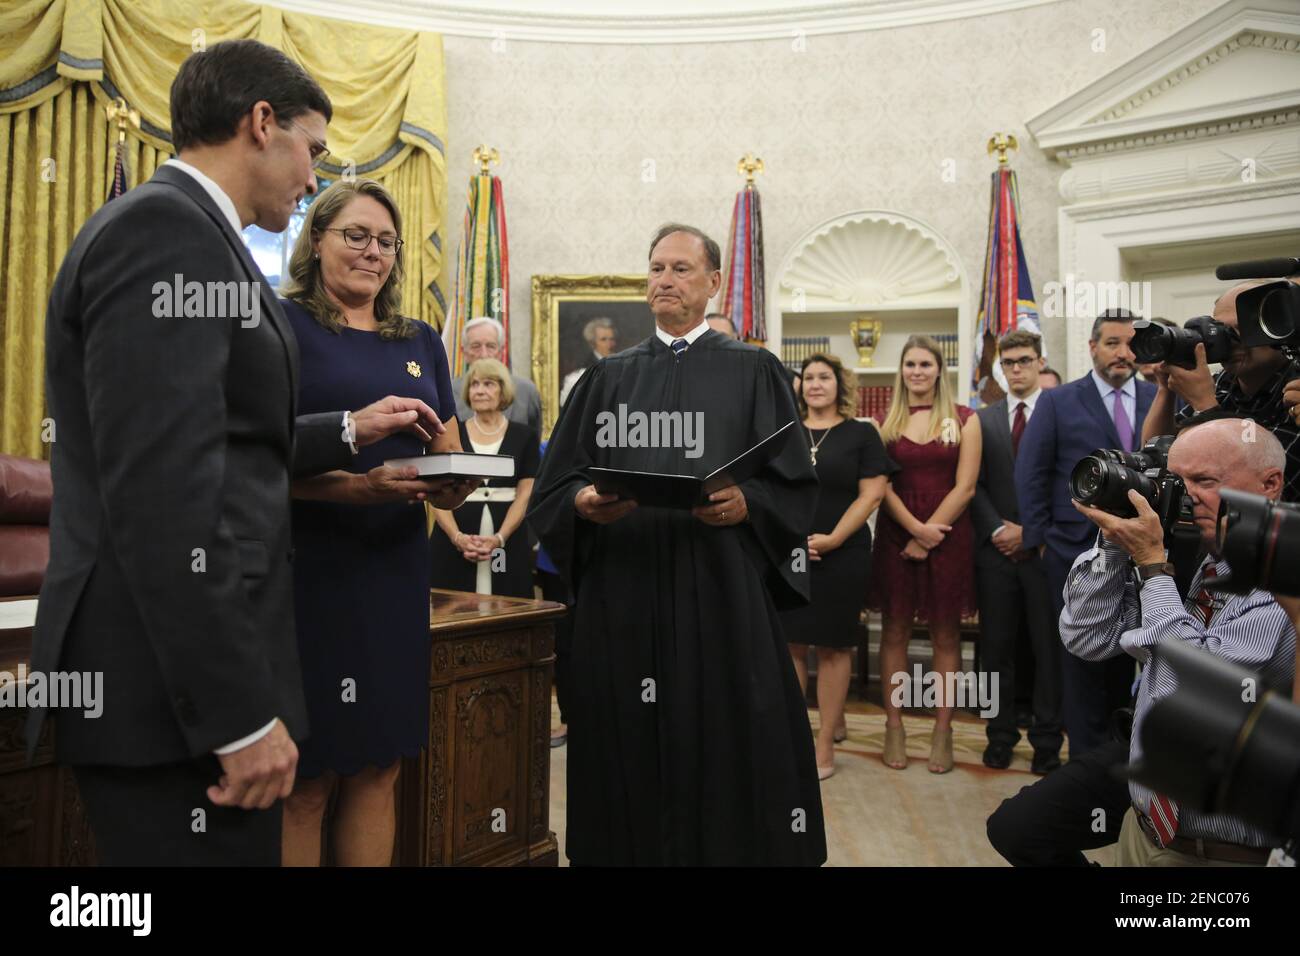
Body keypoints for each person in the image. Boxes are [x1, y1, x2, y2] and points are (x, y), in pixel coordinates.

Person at [27, 40, 447, 867]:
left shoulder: (197, 240)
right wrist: (236, 714)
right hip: (173, 699)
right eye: (313, 151)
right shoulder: (164, 232)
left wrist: (350, 432)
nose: (312, 177)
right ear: (262, 123)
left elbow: (221, 440)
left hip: (180, 688)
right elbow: (163, 492)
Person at [528, 223, 825, 865]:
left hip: (721, 589)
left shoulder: (755, 371)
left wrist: (750, 503)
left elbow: (795, 484)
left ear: (714, 283)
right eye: (657, 268)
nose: (665, 279)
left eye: (681, 269)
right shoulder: (606, 378)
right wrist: (583, 504)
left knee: (728, 732)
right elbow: (557, 488)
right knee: (624, 737)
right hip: (624, 591)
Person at [276, 179, 477, 866]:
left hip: (393, 575)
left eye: (387, 241)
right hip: (305, 578)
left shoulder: (418, 338)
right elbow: (252, 459)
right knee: (305, 778)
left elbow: (446, 457)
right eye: (356, 236)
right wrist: (358, 488)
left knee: (380, 765)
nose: (374, 252)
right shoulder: (280, 327)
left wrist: (454, 484)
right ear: (317, 239)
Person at [1060, 419, 1294, 865]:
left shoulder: (1281, 574)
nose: (1183, 497)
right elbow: (1087, 638)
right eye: (1174, 480)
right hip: (1146, 829)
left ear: (1269, 484)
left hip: (1220, 853)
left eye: (1204, 481)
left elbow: (1194, 688)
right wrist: (1114, 543)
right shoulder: (1207, 556)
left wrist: (1151, 565)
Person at [1016, 308, 1156, 758]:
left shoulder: (1158, 397)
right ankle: (1084, 767)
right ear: (1092, 347)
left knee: (1132, 654)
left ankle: (1121, 762)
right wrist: (1040, 540)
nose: (1122, 352)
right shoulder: (1059, 400)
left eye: (1130, 344)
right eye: (1112, 343)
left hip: (1147, 554)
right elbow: (1031, 472)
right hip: (1073, 551)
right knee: (1080, 661)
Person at [868, 335, 981, 773]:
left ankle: (942, 730)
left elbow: (966, 486)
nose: (917, 371)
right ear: (902, 370)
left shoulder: (964, 419)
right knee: (893, 632)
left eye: (925, 364)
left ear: (939, 370)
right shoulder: (884, 421)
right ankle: (893, 726)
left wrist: (930, 533)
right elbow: (880, 485)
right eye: (910, 364)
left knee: (945, 636)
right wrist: (913, 529)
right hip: (898, 534)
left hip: (949, 535)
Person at [782, 353, 895, 780]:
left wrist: (832, 539)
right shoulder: (784, 432)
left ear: (839, 385)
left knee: (833, 646)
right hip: (790, 550)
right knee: (791, 644)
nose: (814, 384)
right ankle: (795, 736)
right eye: (808, 377)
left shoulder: (860, 434)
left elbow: (871, 495)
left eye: (823, 377)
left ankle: (825, 739)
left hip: (843, 552)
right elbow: (772, 491)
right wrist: (792, 539)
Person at [972, 330, 1063, 774]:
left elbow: (1064, 484)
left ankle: (1047, 740)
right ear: (1000, 369)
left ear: (1040, 362)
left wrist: (1031, 533)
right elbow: (973, 486)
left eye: (1025, 361)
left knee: (1048, 650)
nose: (1017, 370)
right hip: (995, 553)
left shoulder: (1061, 414)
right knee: (997, 650)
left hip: (1046, 550)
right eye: (1009, 363)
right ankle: (1000, 735)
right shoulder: (984, 419)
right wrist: (995, 529)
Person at [1141, 280, 1300, 502]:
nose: (1230, 341)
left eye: (1242, 328)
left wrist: (1205, 405)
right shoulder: (1223, 384)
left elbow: (1257, 478)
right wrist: (1165, 389)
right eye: (1222, 330)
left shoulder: (1294, 389)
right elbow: (1155, 454)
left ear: (1278, 328)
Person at [431, 358, 540, 598]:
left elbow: (525, 493)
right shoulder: (450, 433)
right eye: (475, 384)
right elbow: (436, 490)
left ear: (503, 391)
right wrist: (457, 538)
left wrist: (499, 538)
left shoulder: (526, 436)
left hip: (507, 541)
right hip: (454, 539)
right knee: (452, 608)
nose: (479, 390)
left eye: (488, 384)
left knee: (509, 608)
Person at [451, 316, 542, 436]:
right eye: (476, 346)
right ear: (465, 352)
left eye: (490, 346)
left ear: (500, 351)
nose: (484, 354)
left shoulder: (526, 391)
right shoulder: (449, 391)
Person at [558, 316, 618, 406]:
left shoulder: (620, 366)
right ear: (592, 343)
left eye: (612, 339)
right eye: (603, 339)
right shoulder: (581, 373)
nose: (610, 344)